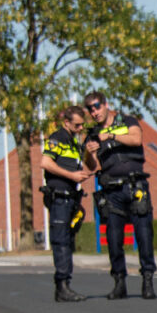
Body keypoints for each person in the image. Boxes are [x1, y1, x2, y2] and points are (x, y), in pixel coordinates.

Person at [83, 91, 156, 299]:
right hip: (112, 191)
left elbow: (136, 139)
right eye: (90, 109)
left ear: (106, 104)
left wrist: (111, 135)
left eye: (97, 106)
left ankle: (147, 280)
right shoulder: (93, 133)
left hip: (135, 187)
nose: (94, 112)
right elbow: (90, 166)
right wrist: (89, 151)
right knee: (114, 238)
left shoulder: (126, 120)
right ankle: (119, 282)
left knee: (143, 234)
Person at [40, 105, 93, 302]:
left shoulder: (74, 143)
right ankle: (61, 287)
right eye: (77, 125)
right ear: (66, 123)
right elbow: (45, 163)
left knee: (67, 241)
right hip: (59, 197)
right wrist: (71, 175)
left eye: (82, 125)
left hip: (70, 197)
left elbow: (89, 166)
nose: (81, 129)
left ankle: (65, 285)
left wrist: (90, 154)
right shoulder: (57, 138)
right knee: (61, 242)